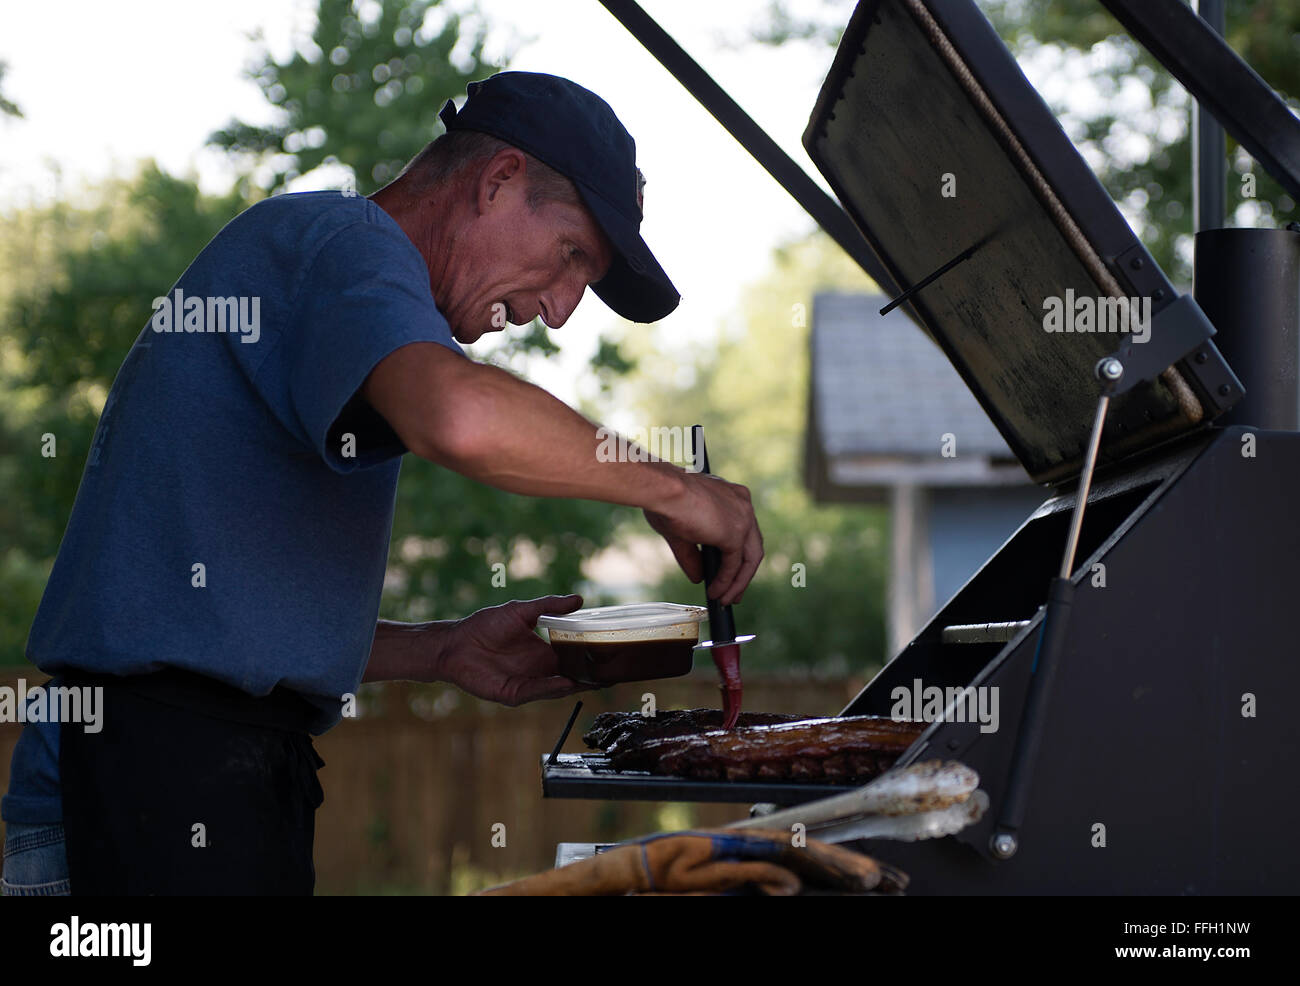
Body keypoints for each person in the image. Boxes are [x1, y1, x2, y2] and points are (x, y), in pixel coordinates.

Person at [0, 71, 763, 895]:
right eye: (572, 254)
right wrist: (672, 488)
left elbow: (217, 619)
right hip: (143, 774)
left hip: (195, 768)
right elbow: (461, 418)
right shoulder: (343, 242)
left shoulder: (349, 300)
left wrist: (439, 650)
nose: (563, 310)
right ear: (498, 180)